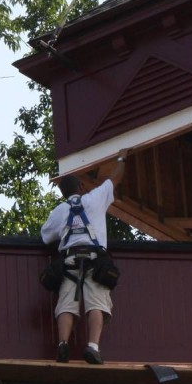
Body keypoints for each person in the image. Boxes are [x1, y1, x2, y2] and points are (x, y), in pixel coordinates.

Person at [40, 153, 127, 365]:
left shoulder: (59, 211)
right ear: (80, 187)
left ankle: (63, 344)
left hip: (69, 261)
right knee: (96, 303)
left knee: (67, 305)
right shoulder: (94, 199)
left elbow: (45, 236)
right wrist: (121, 159)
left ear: (64, 193)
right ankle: (93, 347)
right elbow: (114, 179)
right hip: (95, 260)